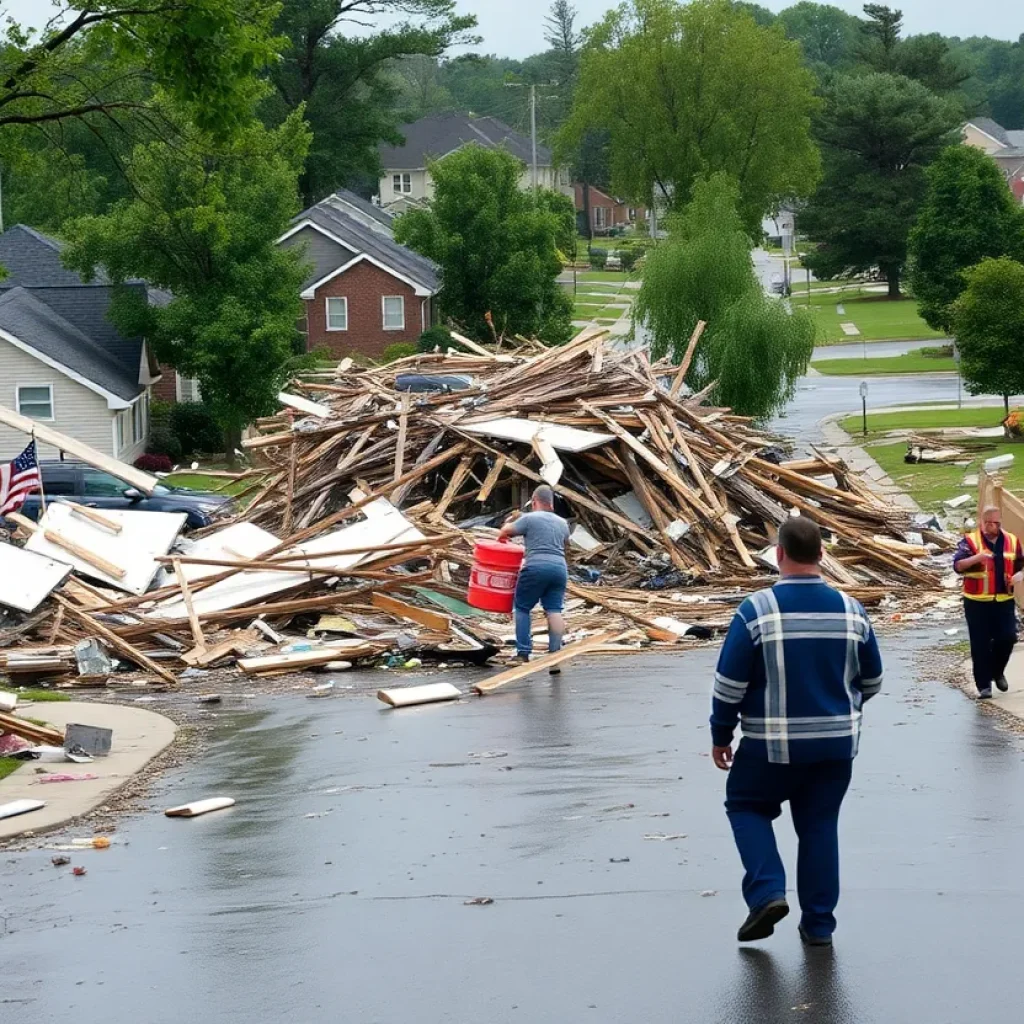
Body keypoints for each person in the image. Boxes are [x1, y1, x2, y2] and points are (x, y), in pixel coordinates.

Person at [710, 516, 883, 947]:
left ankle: (768, 889)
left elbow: (729, 683)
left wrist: (721, 733)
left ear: (779, 554)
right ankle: (819, 926)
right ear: (822, 554)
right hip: (835, 746)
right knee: (820, 826)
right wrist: (843, 707)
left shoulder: (757, 610)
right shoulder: (851, 609)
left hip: (771, 746)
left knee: (745, 805)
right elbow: (873, 680)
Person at [953, 505, 1023, 699]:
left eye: (997, 522)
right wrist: (978, 557)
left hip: (1004, 600)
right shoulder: (970, 542)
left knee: (1008, 637)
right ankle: (984, 686)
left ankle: (997, 671)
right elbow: (958, 565)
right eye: (990, 523)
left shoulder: (1011, 540)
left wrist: (1019, 575)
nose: (994, 526)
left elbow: (1021, 564)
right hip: (977, 602)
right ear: (982, 523)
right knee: (980, 644)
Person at [497, 485, 569, 671]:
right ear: (551, 503)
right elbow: (565, 545)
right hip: (560, 568)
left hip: (536, 566)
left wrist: (511, 520)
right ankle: (555, 657)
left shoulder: (529, 518)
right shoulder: (563, 523)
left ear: (535, 501)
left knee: (522, 607)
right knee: (554, 610)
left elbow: (504, 532)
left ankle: (523, 654)